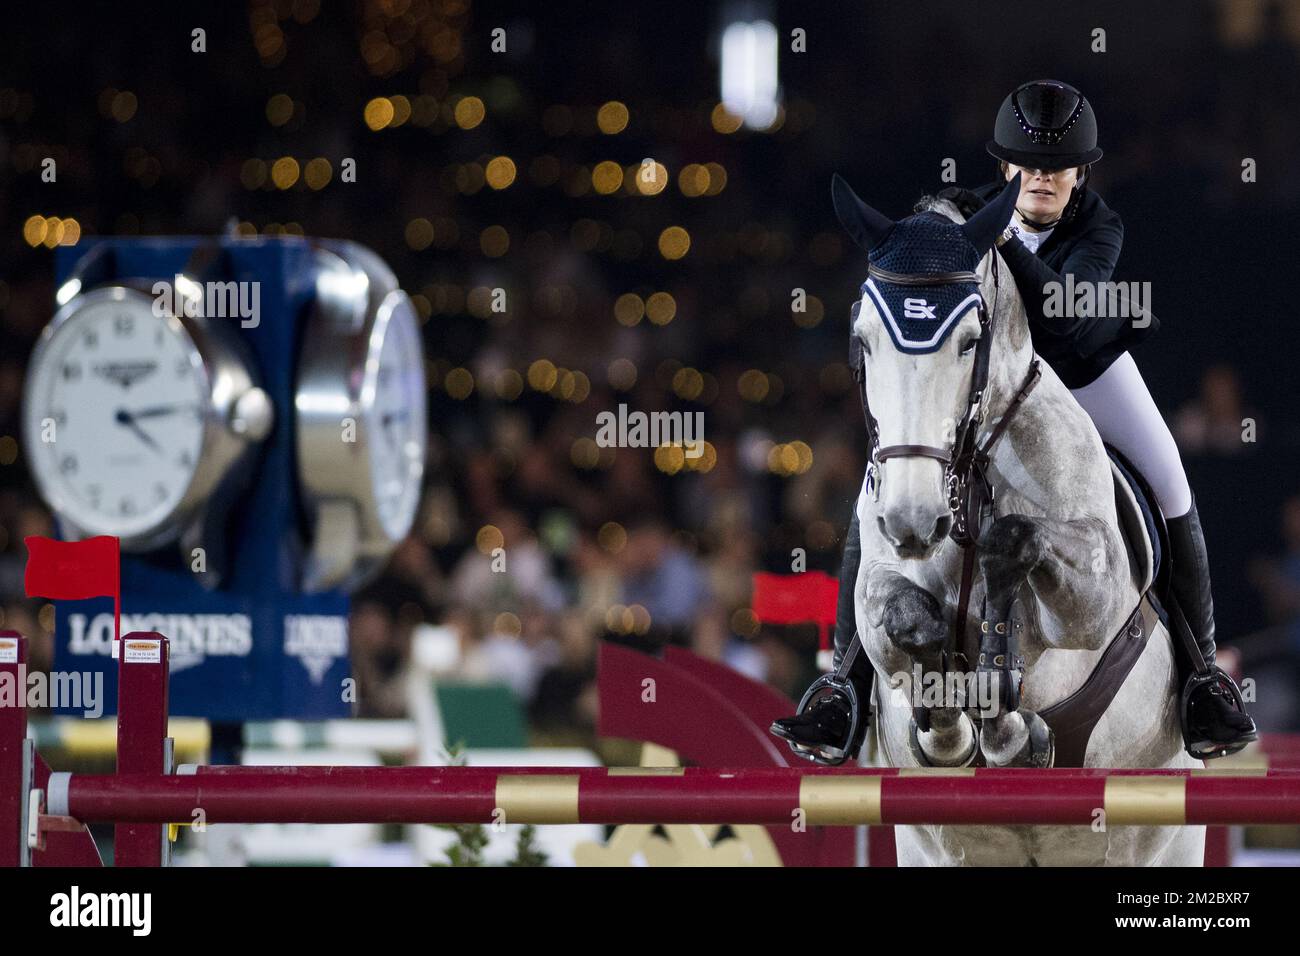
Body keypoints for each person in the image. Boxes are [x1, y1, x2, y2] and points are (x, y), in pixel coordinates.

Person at [773, 79, 1256, 763]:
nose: (1042, 178)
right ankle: (843, 685)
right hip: (992, 393)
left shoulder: (1097, 226)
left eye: (1058, 168)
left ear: (1080, 173)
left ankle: (1202, 675)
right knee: (872, 499)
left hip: (1084, 375)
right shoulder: (968, 214)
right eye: (1029, 166)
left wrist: (995, 235)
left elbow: (1061, 311)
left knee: (1171, 485)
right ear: (1005, 166)